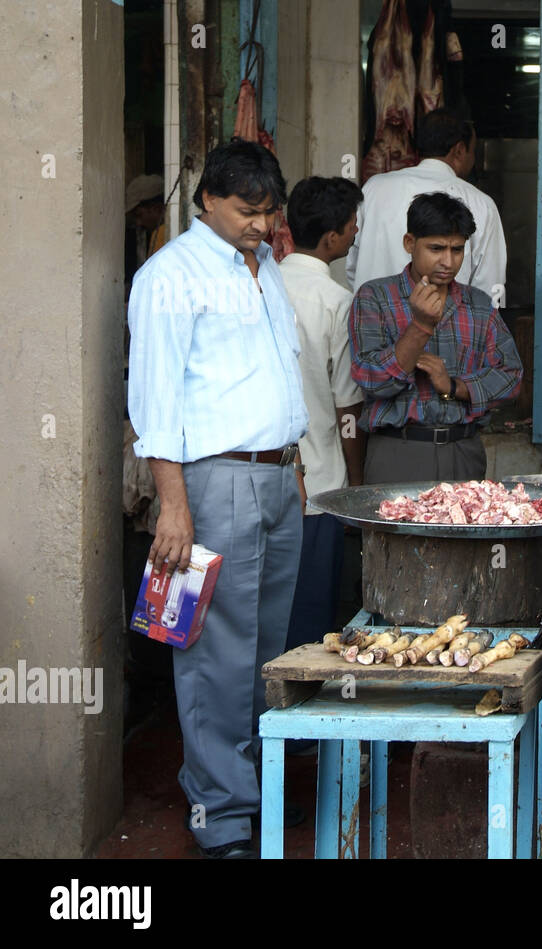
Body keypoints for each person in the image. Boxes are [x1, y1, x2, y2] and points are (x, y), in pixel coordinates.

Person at [128, 139, 309, 859]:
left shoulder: (264, 266)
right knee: (214, 652)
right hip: (214, 480)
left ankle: (251, 788)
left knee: (266, 648)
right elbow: (155, 400)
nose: (261, 225)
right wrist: (172, 504)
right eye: (247, 211)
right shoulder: (169, 275)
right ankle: (222, 813)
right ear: (207, 200)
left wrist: (292, 464)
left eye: (269, 211)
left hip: (275, 476)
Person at [349, 191, 523, 484]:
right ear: (409, 243)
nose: (448, 261)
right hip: (398, 450)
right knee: (397, 529)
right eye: (436, 248)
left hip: (463, 450)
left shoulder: (478, 305)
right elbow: (372, 380)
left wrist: (455, 386)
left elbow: (511, 376)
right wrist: (420, 326)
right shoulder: (374, 297)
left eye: (457, 249)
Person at [279, 176, 367, 653]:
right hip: (320, 487)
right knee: (312, 622)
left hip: (271, 486)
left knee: (271, 615)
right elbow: (347, 405)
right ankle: (300, 725)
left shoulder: (263, 284)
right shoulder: (336, 301)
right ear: (332, 237)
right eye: (352, 225)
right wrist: (356, 483)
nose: (356, 234)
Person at [347, 109, 506, 299]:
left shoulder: (373, 189)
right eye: (473, 151)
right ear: (460, 150)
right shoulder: (481, 203)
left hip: (372, 320)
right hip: (448, 327)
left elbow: (351, 266)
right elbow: (489, 287)